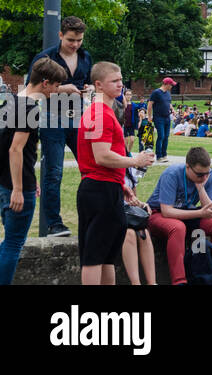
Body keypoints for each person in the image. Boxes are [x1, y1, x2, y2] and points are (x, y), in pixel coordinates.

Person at [77, 61, 154, 285]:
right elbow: (101, 156)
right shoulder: (99, 113)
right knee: (94, 256)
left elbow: (98, 158)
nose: (121, 84)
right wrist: (135, 160)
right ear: (99, 85)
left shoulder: (102, 111)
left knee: (107, 256)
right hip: (98, 189)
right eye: (115, 81)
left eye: (121, 79)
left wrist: (120, 184)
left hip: (106, 187)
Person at [0, 57, 68, 285]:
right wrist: (18, 188)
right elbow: (15, 149)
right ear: (46, 83)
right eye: (57, 86)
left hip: (6, 182)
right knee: (13, 244)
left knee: (9, 242)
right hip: (16, 187)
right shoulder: (30, 107)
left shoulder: (12, 101)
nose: (57, 91)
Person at [31, 15, 94, 237]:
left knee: (90, 168)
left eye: (79, 40)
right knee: (54, 173)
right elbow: (33, 89)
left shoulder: (86, 57)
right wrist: (63, 88)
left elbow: (88, 81)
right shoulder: (45, 58)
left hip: (78, 117)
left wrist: (86, 89)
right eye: (70, 40)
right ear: (60, 35)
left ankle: (94, 217)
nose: (75, 44)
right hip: (52, 118)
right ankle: (54, 224)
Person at [145, 146, 212, 285]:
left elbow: (209, 209)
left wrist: (200, 186)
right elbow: (167, 211)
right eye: (199, 174)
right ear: (187, 167)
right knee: (178, 227)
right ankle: (180, 281)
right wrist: (199, 213)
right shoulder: (172, 174)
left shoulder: (209, 175)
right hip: (158, 214)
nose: (204, 177)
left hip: (187, 213)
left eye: (206, 173)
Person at [121, 163, 157, 285]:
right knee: (129, 234)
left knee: (144, 233)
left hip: (127, 214)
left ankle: (152, 282)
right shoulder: (110, 170)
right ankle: (135, 283)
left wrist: (142, 205)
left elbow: (133, 199)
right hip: (112, 214)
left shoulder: (129, 169)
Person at [149, 77, 176, 163]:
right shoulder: (156, 93)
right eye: (171, 85)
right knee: (161, 136)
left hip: (167, 117)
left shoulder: (168, 93)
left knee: (166, 137)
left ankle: (164, 155)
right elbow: (150, 104)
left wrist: (173, 109)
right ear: (167, 84)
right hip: (158, 117)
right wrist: (149, 116)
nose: (172, 86)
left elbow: (168, 103)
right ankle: (159, 156)